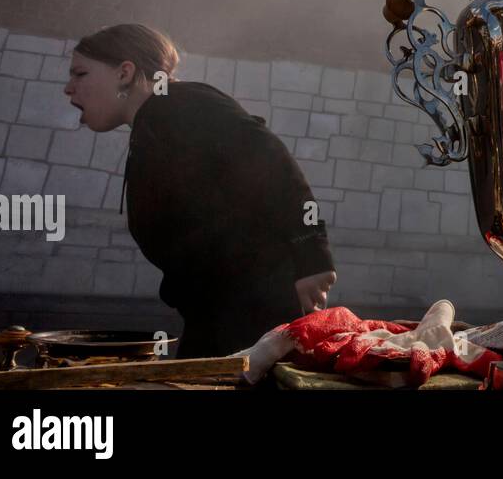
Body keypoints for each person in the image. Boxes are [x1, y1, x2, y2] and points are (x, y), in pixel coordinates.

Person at [64, 23, 337, 357]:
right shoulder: (156, 121)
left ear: (124, 72)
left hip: (253, 318)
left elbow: (274, 163)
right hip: (219, 318)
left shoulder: (181, 104)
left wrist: (313, 254)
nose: (69, 88)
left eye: (80, 74)